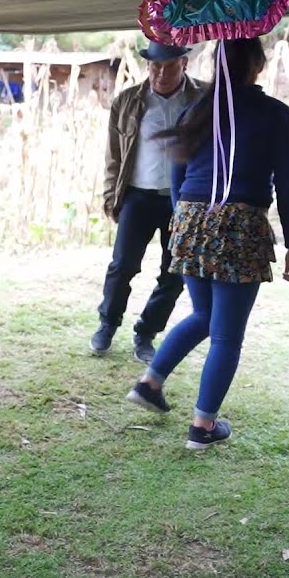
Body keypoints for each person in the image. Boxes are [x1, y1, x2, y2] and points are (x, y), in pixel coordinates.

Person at [125, 37, 289, 451]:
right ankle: (202, 428)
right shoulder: (276, 115)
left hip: (189, 219)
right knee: (226, 334)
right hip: (238, 224)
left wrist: (185, 223)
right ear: (257, 65)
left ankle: (150, 383)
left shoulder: (196, 110)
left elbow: (176, 181)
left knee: (205, 314)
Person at [92, 42, 205, 362]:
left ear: (184, 64)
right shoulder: (127, 101)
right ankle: (107, 324)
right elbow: (113, 155)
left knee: (175, 273)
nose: (162, 73)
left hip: (184, 200)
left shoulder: (205, 99)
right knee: (122, 266)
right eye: (156, 67)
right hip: (138, 196)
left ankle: (146, 332)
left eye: (170, 66)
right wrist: (110, 196)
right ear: (148, 67)